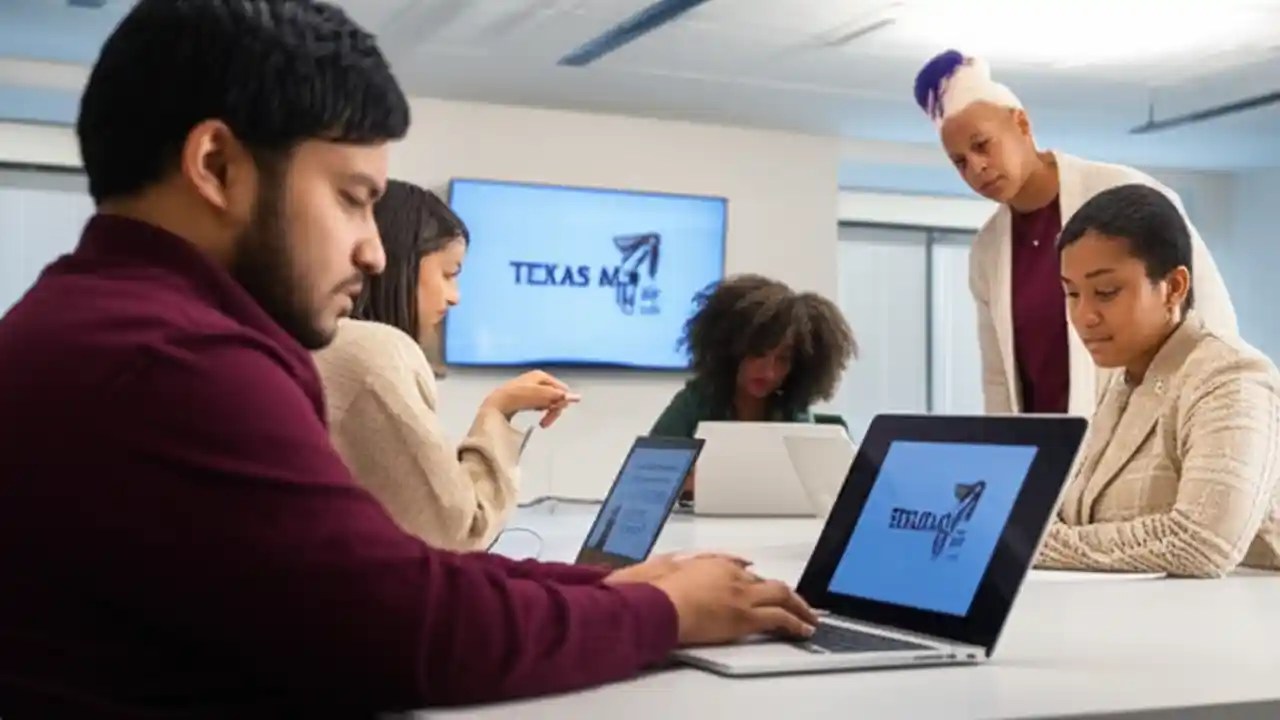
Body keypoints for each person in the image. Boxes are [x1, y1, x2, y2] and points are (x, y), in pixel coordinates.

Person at [0, 2, 817, 717]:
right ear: (216, 166)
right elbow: (411, 630)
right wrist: (663, 615)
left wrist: (612, 587)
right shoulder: (178, 361)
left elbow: (389, 575)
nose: (372, 251)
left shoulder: (90, 321)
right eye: (353, 199)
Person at [913, 50, 1237, 418]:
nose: (977, 168)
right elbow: (999, 380)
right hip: (1050, 456)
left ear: (1021, 123)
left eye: (982, 144)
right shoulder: (988, 250)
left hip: (1149, 435)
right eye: (960, 162)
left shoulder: (1124, 194)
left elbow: (1212, 322)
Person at [314, 181, 574, 551]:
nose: (455, 296)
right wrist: (496, 414)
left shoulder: (318, 345)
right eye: (449, 274)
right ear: (396, 262)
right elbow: (458, 533)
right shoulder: (370, 353)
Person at [1036, 184, 1280, 577]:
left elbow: (1202, 543)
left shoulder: (1231, 377)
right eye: (1072, 294)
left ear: (1174, 287)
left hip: (1232, 626)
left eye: (1106, 292)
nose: (1084, 316)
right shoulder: (1122, 382)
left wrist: (1035, 543)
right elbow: (1077, 515)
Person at [650, 274, 856, 497]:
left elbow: (812, 484)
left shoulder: (792, 409)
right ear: (731, 349)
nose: (769, 372)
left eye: (783, 359)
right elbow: (649, 475)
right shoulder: (696, 401)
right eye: (758, 354)